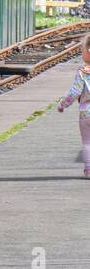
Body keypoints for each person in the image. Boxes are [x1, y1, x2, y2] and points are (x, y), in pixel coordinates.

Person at [55, 36, 90, 179]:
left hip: (86, 112)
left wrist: (62, 104)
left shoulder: (83, 72)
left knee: (87, 142)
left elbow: (74, 92)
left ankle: (88, 170)